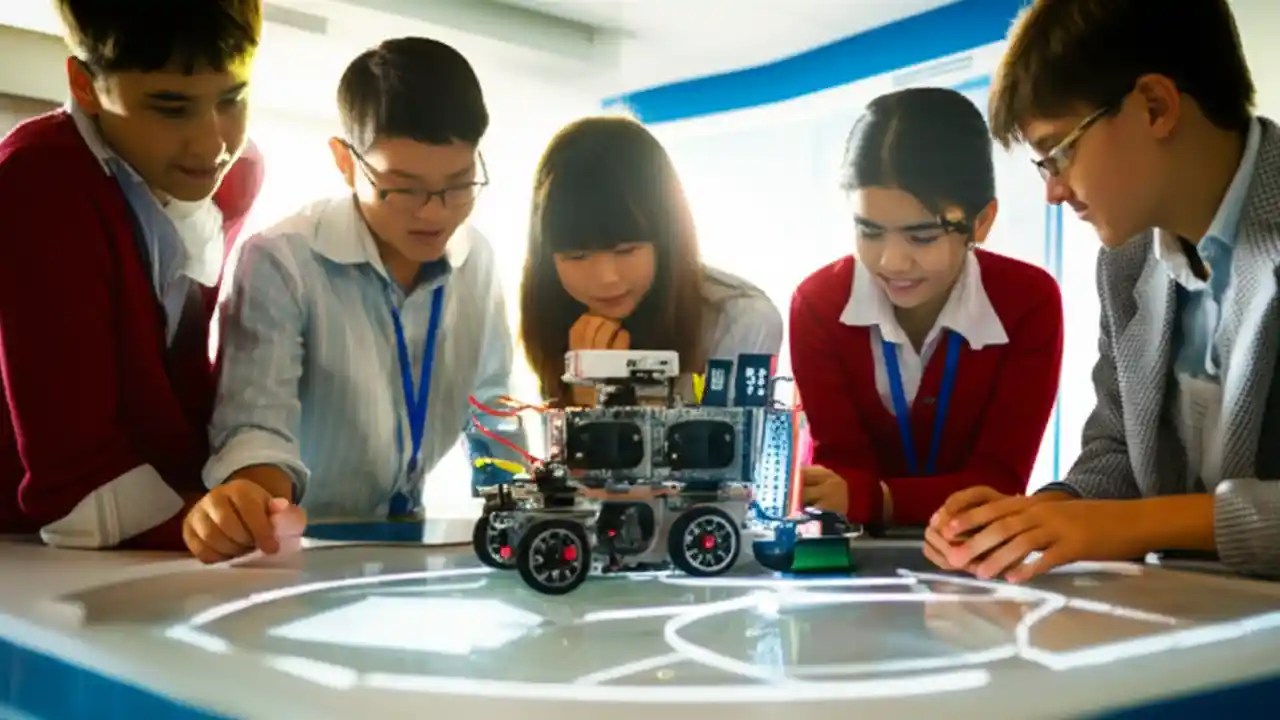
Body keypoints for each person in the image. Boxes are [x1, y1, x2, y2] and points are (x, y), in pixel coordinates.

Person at [927, 0, 1280, 582]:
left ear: (1155, 107)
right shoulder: (1127, 264)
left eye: (1060, 151)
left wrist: (1132, 525)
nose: (1055, 190)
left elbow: (1133, 515)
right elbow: (1118, 451)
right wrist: (1042, 514)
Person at [183, 37, 522, 564]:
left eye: (458, 186)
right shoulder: (282, 261)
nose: (434, 215)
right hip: (297, 546)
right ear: (345, 161)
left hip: (412, 546)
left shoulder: (475, 259)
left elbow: (492, 411)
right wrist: (256, 499)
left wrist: (519, 508)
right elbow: (257, 423)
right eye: (402, 187)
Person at [0, 0, 265, 550]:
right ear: (85, 85)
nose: (212, 143)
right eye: (171, 108)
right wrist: (210, 521)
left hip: (151, 523)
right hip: (26, 539)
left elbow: (175, 376)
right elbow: (72, 481)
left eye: (233, 99)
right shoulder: (37, 181)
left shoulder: (233, 175)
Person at [793, 87, 1064, 531]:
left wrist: (871, 498)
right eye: (870, 231)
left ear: (981, 222)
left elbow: (997, 486)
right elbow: (839, 480)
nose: (890, 261)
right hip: (851, 551)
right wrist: (856, 497)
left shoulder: (1027, 302)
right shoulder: (819, 304)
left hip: (971, 552)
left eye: (922, 236)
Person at [520, 116, 783, 407]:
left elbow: (727, 449)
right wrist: (583, 395)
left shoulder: (739, 319)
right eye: (577, 256)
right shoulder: (555, 312)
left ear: (667, 239)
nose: (606, 277)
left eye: (626, 250)